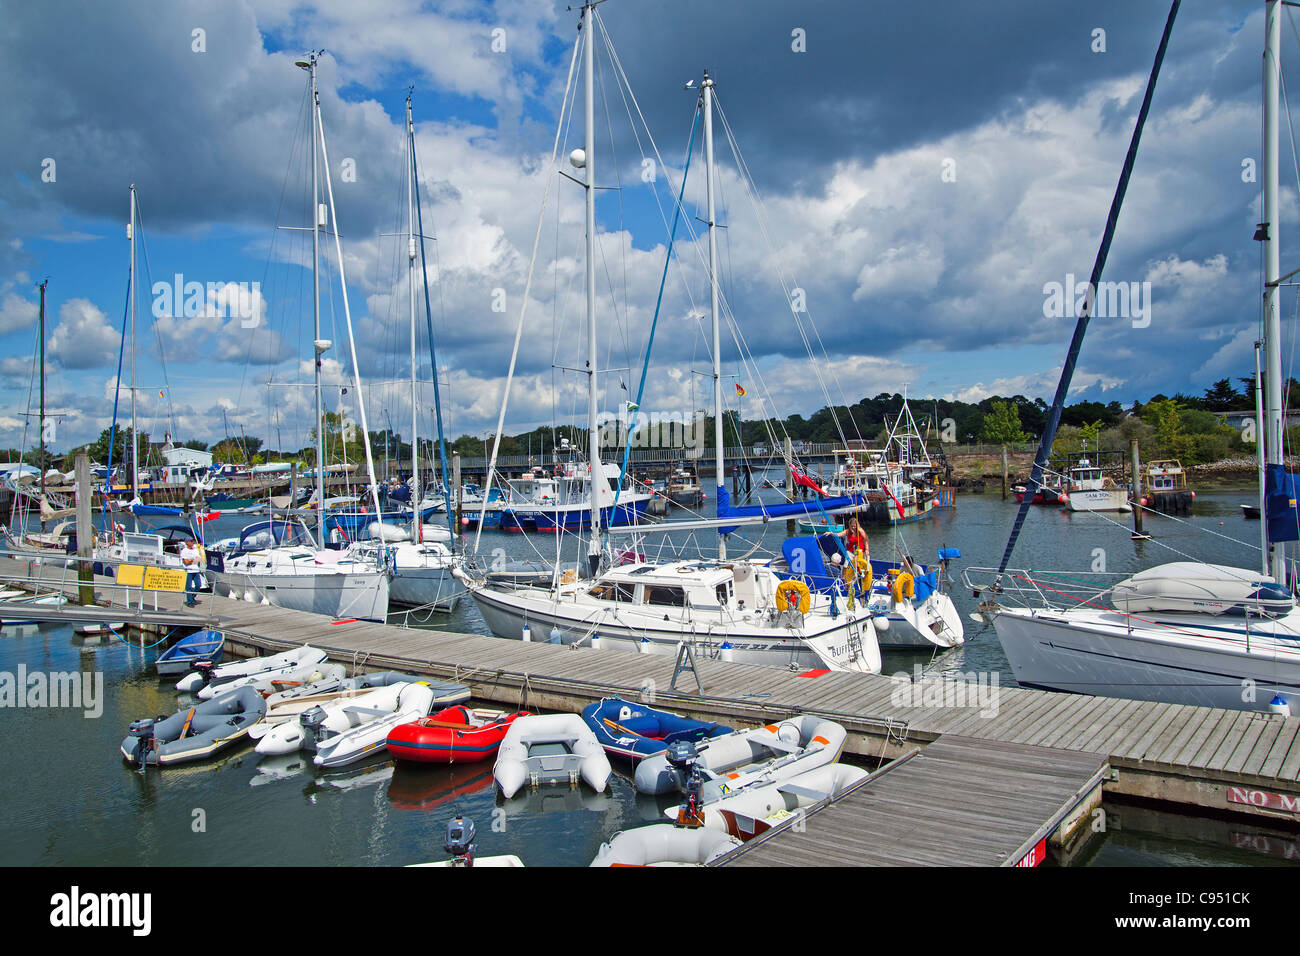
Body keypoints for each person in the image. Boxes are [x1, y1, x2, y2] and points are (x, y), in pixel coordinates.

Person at [180, 538, 202, 608]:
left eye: (193, 541)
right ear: (187, 542)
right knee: (188, 587)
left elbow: (198, 559)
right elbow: (186, 562)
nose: (193, 542)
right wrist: (193, 560)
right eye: (191, 541)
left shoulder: (195, 550)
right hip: (188, 570)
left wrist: (191, 560)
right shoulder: (184, 551)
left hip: (196, 570)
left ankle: (192, 597)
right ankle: (189, 601)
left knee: (198, 585)